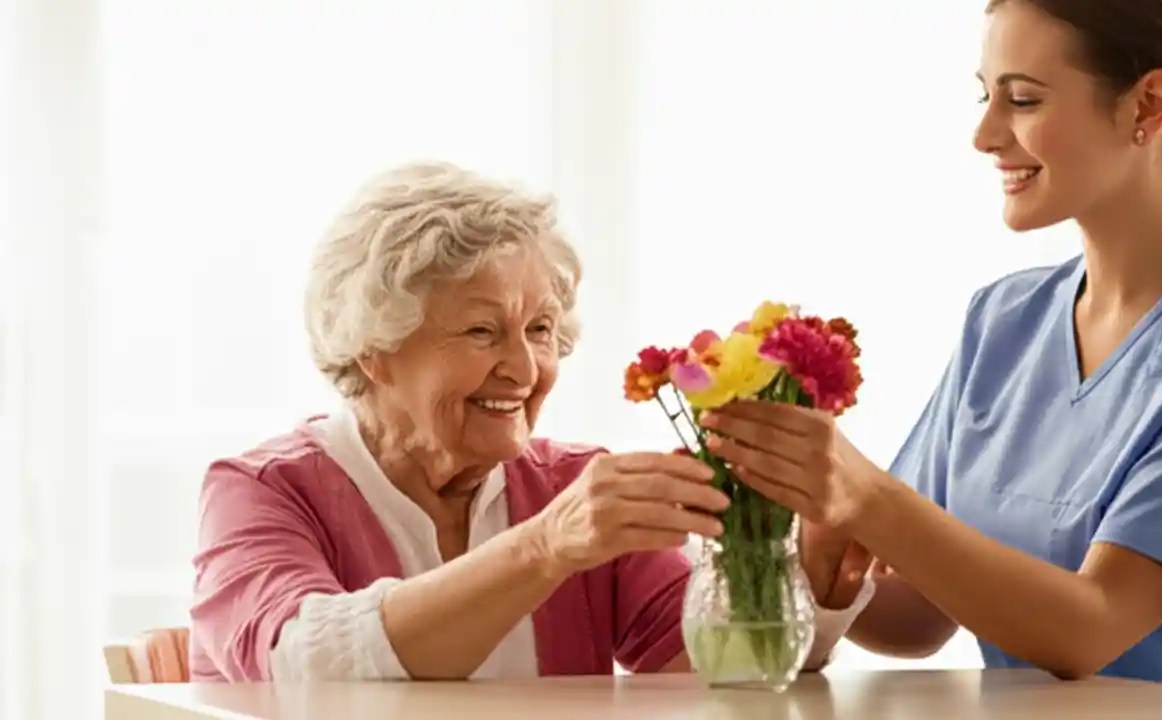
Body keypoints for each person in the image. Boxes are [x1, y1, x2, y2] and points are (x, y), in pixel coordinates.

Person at [702, 0, 1162, 696]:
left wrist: (865, 495)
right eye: (986, 95)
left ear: (1147, 107)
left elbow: (1086, 629)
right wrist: (810, 538)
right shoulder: (1004, 320)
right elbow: (919, 616)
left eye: (1023, 99)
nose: (983, 134)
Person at [188, 162, 868, 682]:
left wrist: (799, 566)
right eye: (483, 331)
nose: (524, 367)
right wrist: (545, 547)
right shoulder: (262, 490)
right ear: (374, 352)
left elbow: (716, 671)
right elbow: (304, 664)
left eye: (541, 329)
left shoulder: (575, 485)